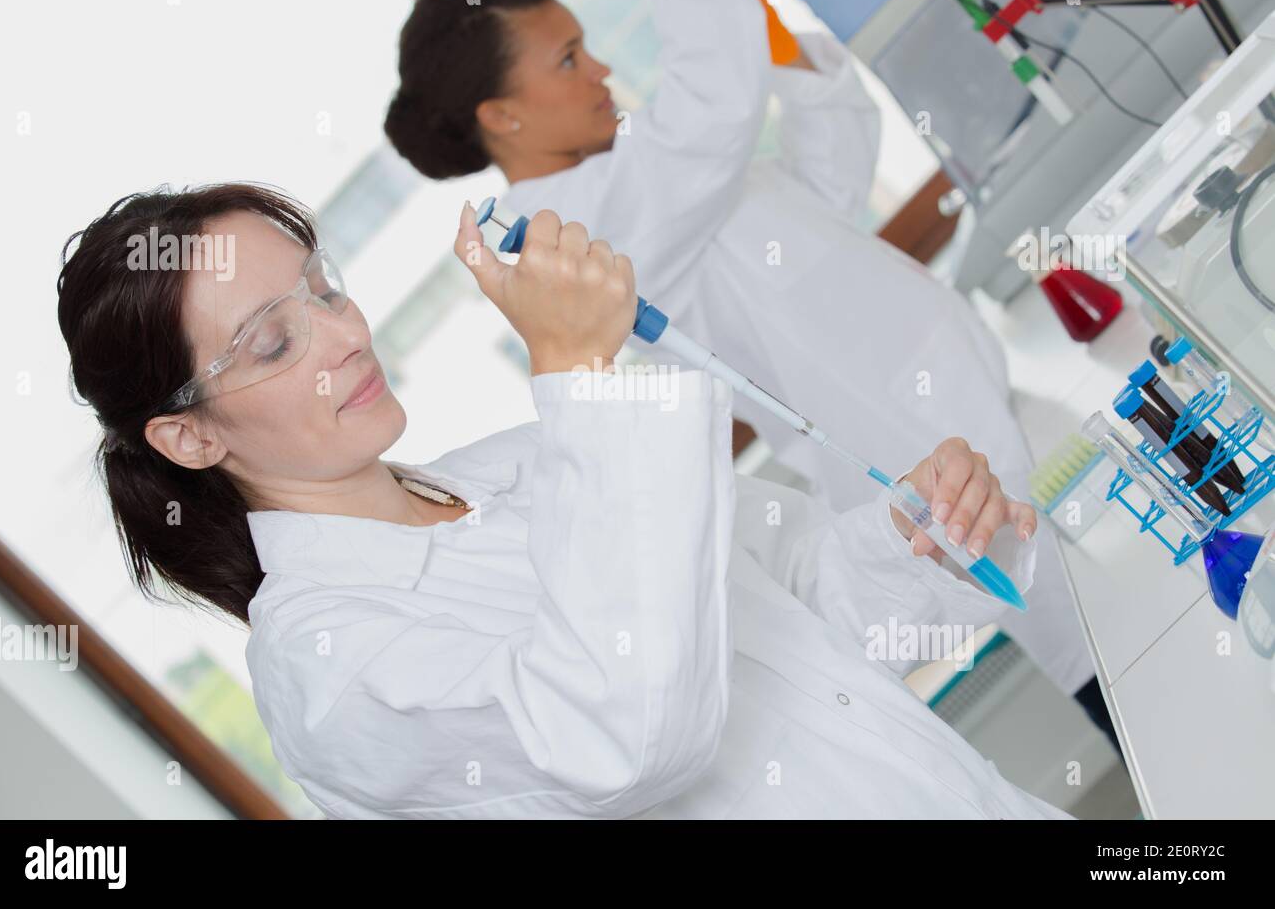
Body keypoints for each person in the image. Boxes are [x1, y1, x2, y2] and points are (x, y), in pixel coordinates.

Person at [56, 182, 1069, 818]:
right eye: (275, 341)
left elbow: (800, 598)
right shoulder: (324, 668)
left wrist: (919, 535)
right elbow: (617, 735)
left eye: (322, 289)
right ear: (190, 436)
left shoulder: (529, 460)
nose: (345, 334)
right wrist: (578, 366)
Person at [383, 0, 1117, 748]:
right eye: (567, 59)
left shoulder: (652, 185)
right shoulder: (581, 233)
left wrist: (786, 52)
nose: (600, 69)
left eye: (586, 45)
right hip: (946, 475)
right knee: (1134, 667)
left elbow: (824, 195)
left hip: (996, 418)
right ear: (503, 117)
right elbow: (714, 104)